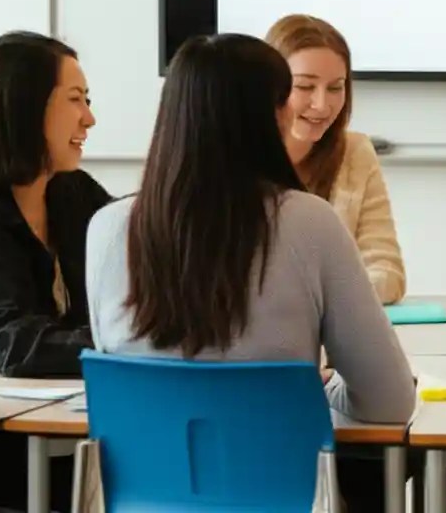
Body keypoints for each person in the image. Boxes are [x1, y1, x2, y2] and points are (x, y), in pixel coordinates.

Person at [86, 33, 414, 420]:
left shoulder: (106, 228)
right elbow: (390, 402)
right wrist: (320, 388)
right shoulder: (310, 222)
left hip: (141, 479)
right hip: (283, 478)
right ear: (268, 115)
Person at [0, 31, 112, 510]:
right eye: (75, 100)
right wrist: (123, 341)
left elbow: (143, 275)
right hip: (1, 463)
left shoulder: (75, 193)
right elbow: (14, 344)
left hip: (79, 441)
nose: (89, 117)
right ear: (24, 106)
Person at [266, 14, 406, 303]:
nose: (322, 105)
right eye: (305, 87)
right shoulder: (230, 151)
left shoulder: (355, 153)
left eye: (335, 87)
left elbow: (388, 274)